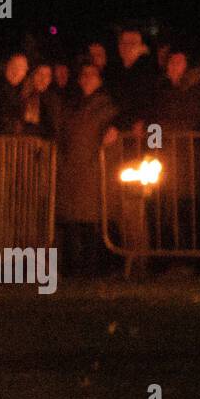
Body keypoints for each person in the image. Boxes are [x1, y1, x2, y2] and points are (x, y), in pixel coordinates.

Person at [54, 61, 119, 274]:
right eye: (84, 75)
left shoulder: (107, 106)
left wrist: (115, 129)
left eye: (92, 75)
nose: (87, 79)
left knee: (92, 221)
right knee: (73, 221)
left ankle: (94, 267)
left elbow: (117, 125)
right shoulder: (71, 105)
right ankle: (74, 267)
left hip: (93, 169)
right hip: (71, 169)